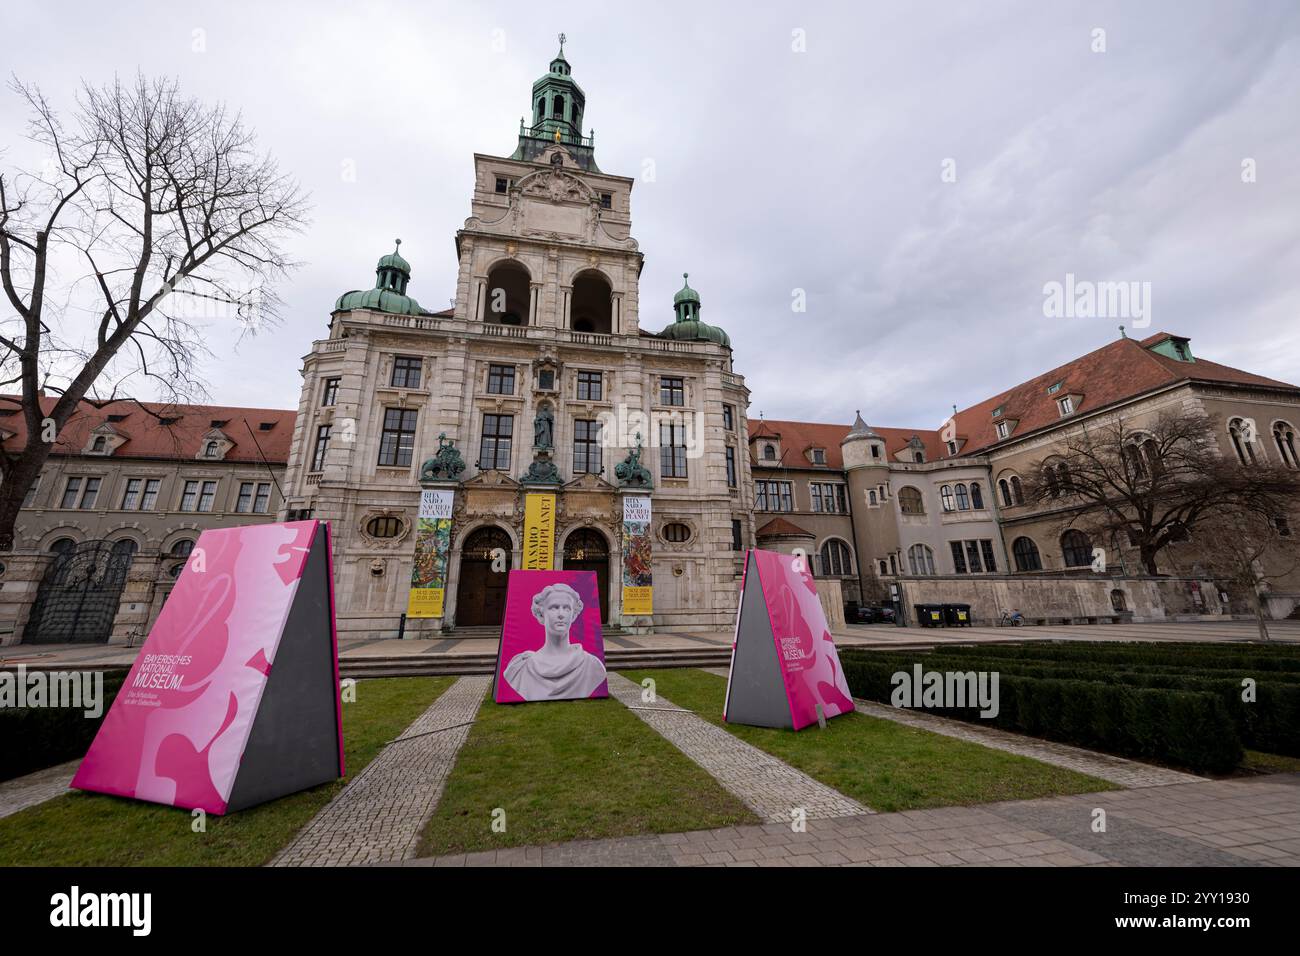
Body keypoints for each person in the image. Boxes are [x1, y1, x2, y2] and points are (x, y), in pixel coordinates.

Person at [503, 583, 606, 700]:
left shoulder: (591, 665)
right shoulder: (521, 667)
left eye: (567, 608)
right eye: (554, 608)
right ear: (541, 615)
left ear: (573, 615)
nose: (561, 614)